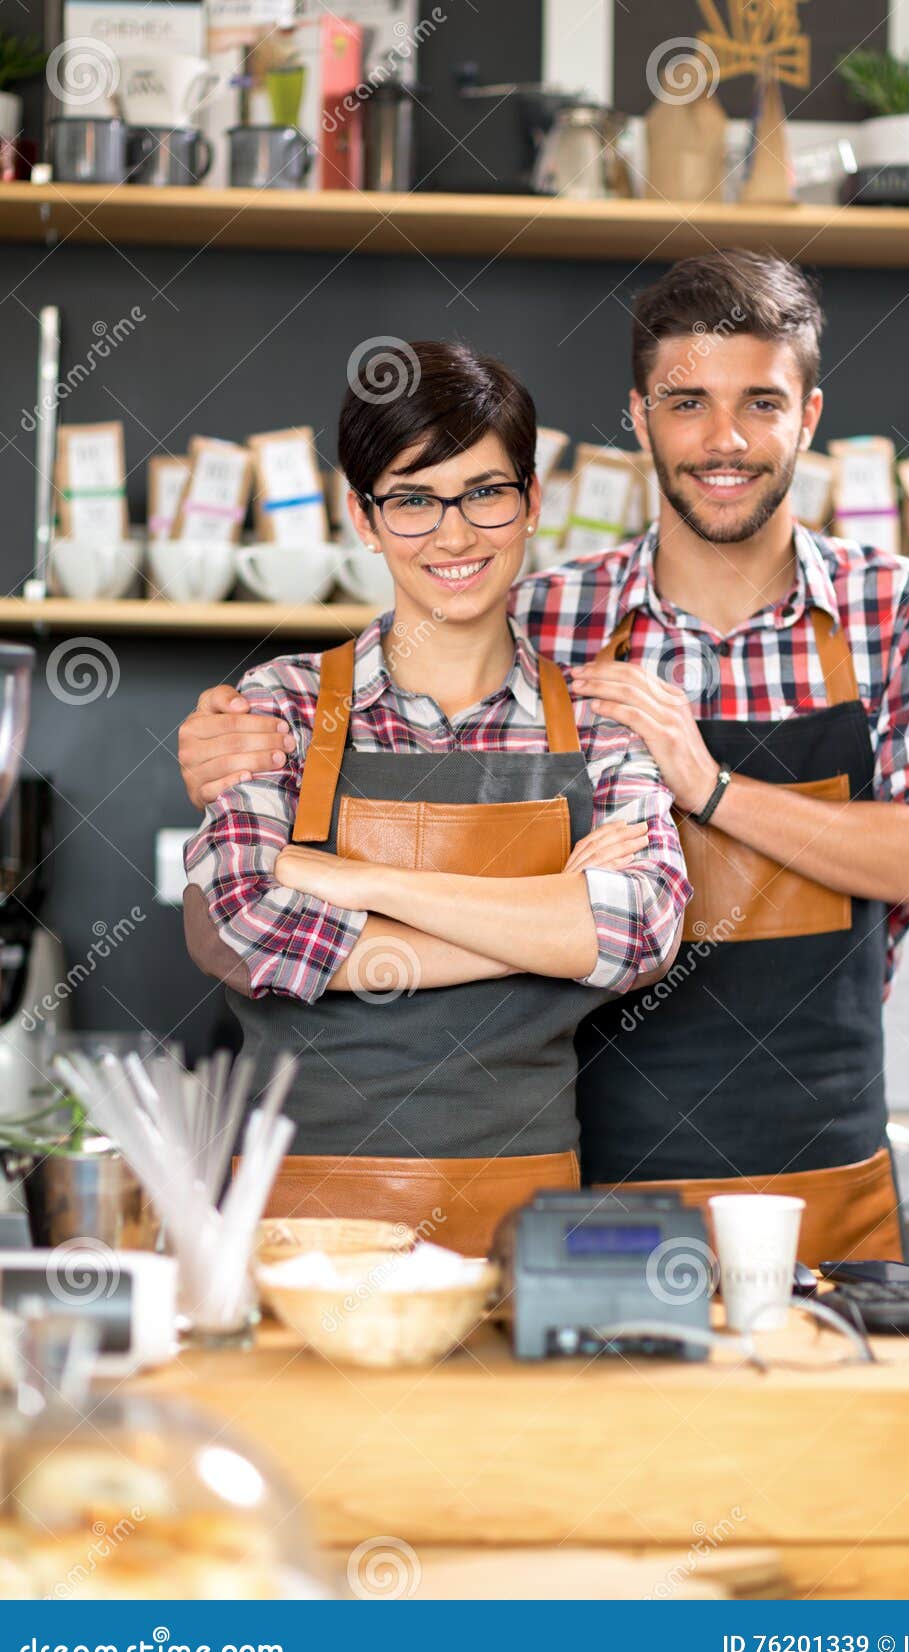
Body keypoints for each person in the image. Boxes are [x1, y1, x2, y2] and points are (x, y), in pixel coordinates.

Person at [179, 252, 909, 1264]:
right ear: (638, 415)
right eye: (686, 400)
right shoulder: (543, 615)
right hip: (584, 1166)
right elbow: (386, 704)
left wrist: (709, 785)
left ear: (808, 413)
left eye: (761, 401)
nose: (725, 438)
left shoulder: (894, 609)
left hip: (815, 1165)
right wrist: (231, 744)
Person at [183, 341, 689, 1255]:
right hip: (298, 1219)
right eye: (413, 500)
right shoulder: (279, 709)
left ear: (532, 504)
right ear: (363, 519)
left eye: (484, 493)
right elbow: (253, 929)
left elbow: (641, 934)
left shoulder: (603, 724)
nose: (453, 537)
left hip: (527, 1222)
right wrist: (544, 931)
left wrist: (363, 883)